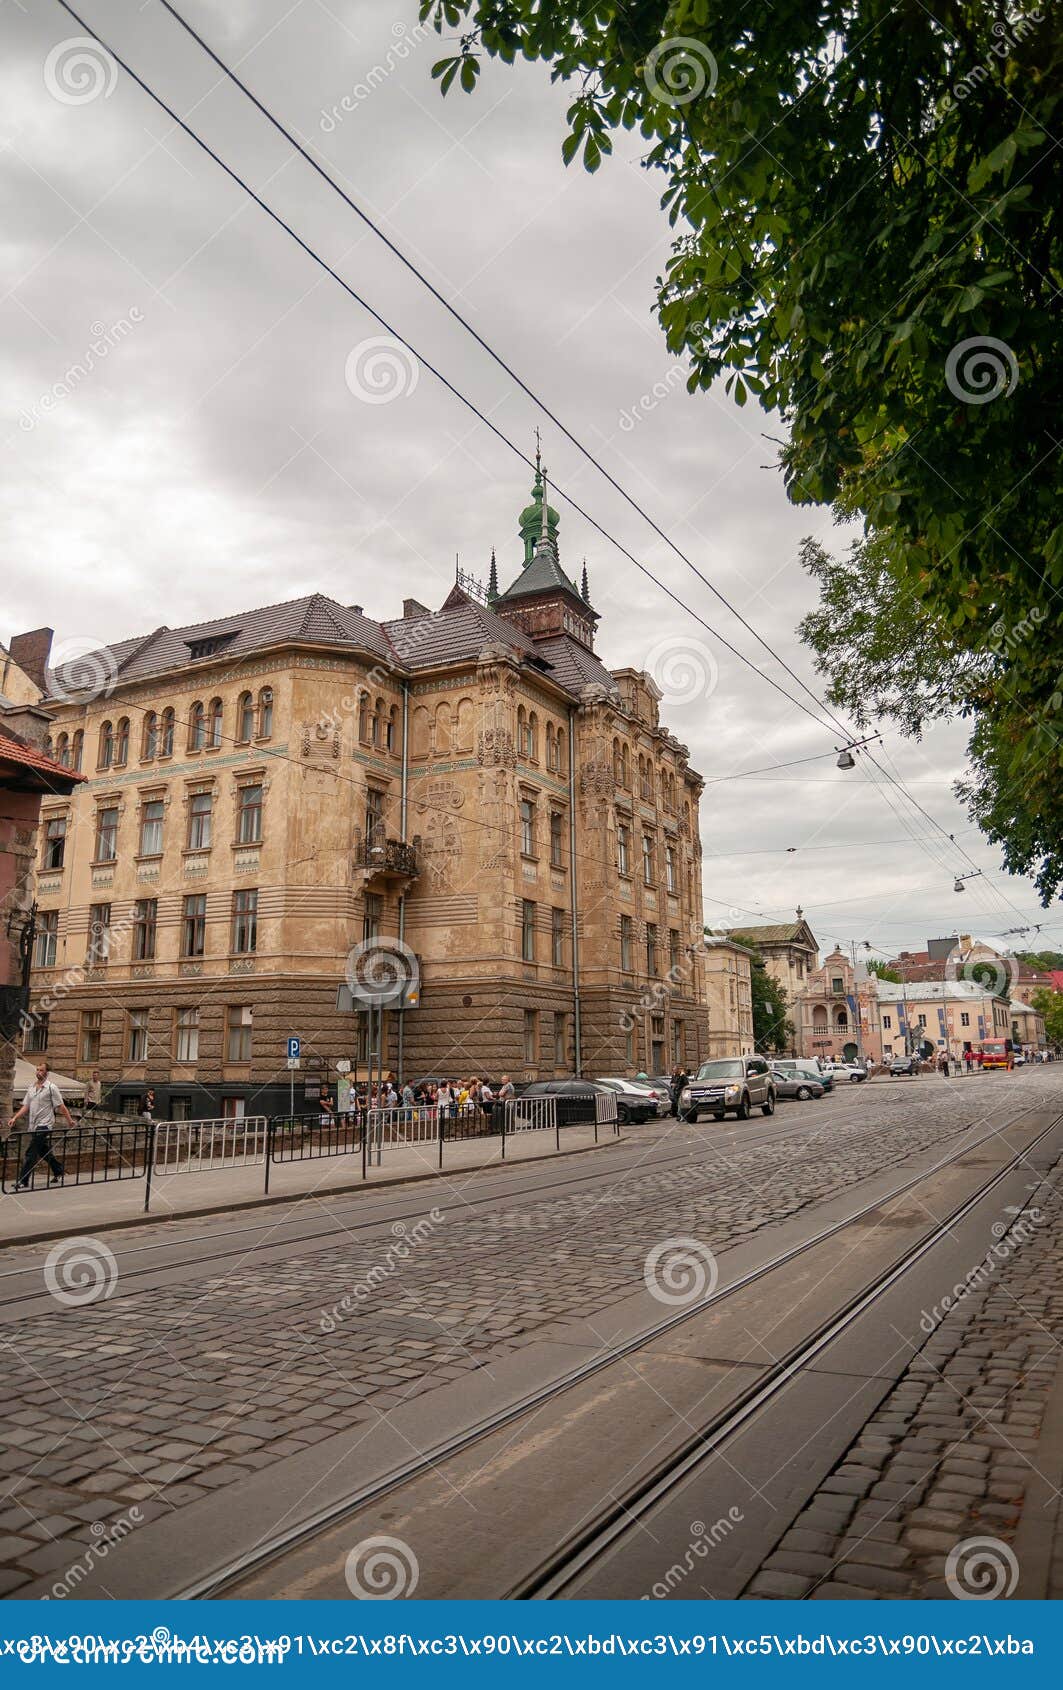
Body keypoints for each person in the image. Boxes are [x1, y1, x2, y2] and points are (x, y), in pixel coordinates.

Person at [8, 1062, 75, 1189]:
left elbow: (61, 1106)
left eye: (41, 1070)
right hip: (33, 1125)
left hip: (45, 1125)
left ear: (46, 1073)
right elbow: (26, 1106)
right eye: (37, 1069)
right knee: (43, 1150)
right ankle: (59, 1170)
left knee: (30, 1152)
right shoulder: (31, 1087)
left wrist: (70, 1121)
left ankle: (23, 1181)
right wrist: (15, 1118)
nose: (38, 1072)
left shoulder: (51, 1088)